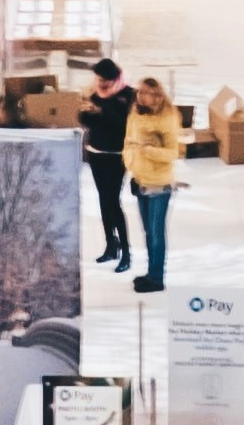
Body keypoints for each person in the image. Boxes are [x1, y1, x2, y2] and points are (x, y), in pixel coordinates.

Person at [122, 73, 185, 292]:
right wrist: (131, 163)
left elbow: (172, 153)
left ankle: (157, 277)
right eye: (139, 91)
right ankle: (150, 272)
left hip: (159, 184)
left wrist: (147, 150)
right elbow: (129, 141)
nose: (139, 95)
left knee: (157, 233)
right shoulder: (136, 113)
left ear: (156, 96)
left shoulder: (166, 119)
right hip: (141, 179)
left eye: (144, 92)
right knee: (148, 231)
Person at [77, 59, 134, 272]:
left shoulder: (127, 95)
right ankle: (111, 244)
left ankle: (126, 251)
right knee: (103, 200)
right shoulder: (93, 95)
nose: (100, 84)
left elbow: (122, 126)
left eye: (104, 81)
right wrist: (91, 114)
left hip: (116, 155)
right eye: (98, 80)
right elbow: (83, 118)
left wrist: (100, 114)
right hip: (96, 153)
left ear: (114, 79)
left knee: (113, 201)